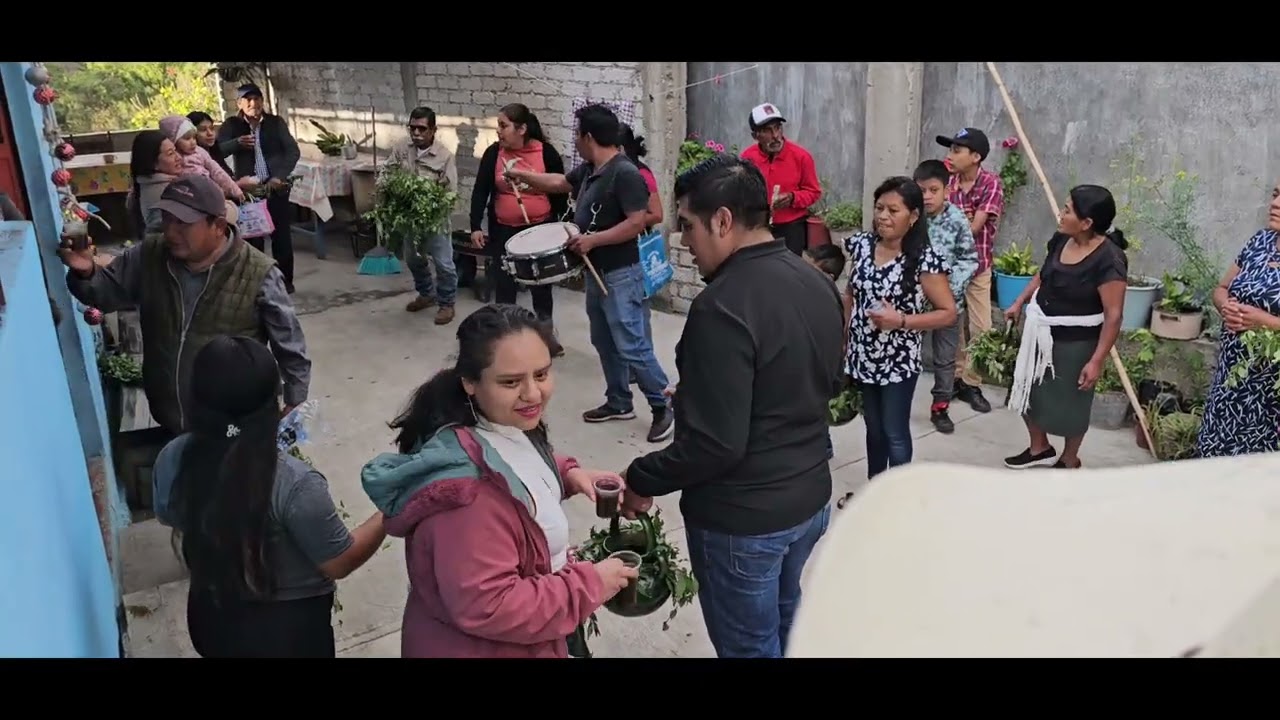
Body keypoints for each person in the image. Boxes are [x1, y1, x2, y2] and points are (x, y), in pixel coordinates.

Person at [619, 155, 844, 659]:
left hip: (746, 522)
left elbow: (714, 446)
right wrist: (706, 391)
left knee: (749, 647)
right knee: (789, 621)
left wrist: (640, 478)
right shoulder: (817, 282)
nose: (682, 241)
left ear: (723, 220)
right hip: (808, 500)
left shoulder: (720, 306)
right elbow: (819, 379)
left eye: (688, 226)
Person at [360, 304, 637, 658]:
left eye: (541, 374)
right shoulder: (466, 499)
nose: (533, 394)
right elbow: (490, 605)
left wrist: (568, 473)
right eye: (511, 382)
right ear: (470, 383)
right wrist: (590, 584)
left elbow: (516, 463)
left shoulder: (497, 425)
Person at [152, 335, 385, 658]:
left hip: (210, 616)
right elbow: (339, 561)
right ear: (275, 402)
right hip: (287, 634)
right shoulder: (295, 483)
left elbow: (169, 515)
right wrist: (389, 511)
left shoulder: (172, 457)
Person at [58, 175, 311, 437]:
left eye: (183, 223)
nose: (171, 231)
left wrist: (294, 398)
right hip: (169, 414)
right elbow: (104, 294)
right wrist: (85, 272)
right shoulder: (150, 255)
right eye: (167, 219)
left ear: (218, 225)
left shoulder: (258, 272)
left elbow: (289, 343)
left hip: (234, 423)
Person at [503, 104, 674, 443]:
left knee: (632, 345)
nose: (575, 141)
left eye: (577, 135)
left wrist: (593, 240)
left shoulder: (624, 173)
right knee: (604, 340)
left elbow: (638, 220)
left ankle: (664, 406)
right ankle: (619, 401)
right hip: (599, 272)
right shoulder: (592, 169)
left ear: (589, 137)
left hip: (622, 274)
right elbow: (560, 182)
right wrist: (521, 175)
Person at [839, 177, 957, 497]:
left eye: (893, 210)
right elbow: (851, 292)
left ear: (914, 216)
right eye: (879, 208)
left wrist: (901, 320)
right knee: (873, 430)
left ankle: (898, 502)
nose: (883, 217)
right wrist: (843, 335)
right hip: (862, 355)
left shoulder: (924, 260)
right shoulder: (862, 245)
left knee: (894, 432)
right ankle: (873, 496)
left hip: (898, 361)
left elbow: (948, 312)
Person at [1002, 185, 1128, 470]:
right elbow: (1043, 274)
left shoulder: (1110, 259)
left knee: (1073, 402)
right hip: (1040, 333)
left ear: (1087, 223)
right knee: (1026, 390)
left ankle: (1069, 458)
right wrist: (1019, 301)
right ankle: (1039, 447)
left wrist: (1096, 360)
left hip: (1077, 343)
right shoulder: (1060, 239)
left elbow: (1114, 314)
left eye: (1068, 210)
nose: (1060, 214)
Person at [468, 103, 568, 347]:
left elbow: (561, 193)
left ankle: (545, 335)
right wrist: (475, 226)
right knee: (505, 284)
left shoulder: (546, 153)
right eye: (498, 126)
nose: (499, 132)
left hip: (539, 230)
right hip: (503, 230)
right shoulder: (494, 154)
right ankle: (508, 337)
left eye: (503, 126)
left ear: (522, 128)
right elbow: (480, 190)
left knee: (541, 285)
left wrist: (558, 228)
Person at [1197, 183, 1280, 457]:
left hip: (1272, 390)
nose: (1275, 203)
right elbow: (1221, 289)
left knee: (1259, 470)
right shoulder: (1261, 242)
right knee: (1216, 456)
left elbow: (1262, 318)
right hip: (1232, 379)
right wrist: (1227, 306)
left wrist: (1264, 321)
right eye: (1276, 194)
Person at [937, 127, 1004, 414]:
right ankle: (957, 377)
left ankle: (972, 383)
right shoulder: (946, 183)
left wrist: (956, 222)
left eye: (956, 150)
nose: (949, 156)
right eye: (950, 149)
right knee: (953, 324)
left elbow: (974, 228)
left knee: (982, 328)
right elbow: (937, 222)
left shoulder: (991, 183)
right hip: (949, 269)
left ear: (976, 157)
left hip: (978, 267)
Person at [215, 83, 302, 293]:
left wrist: (278, 176)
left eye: (257, 99)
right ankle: (259, 284)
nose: (254, 103)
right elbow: (216, 152)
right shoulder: (232, 125)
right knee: (253, 240)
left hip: (275, 189)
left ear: (263, 101)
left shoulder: (275, 123)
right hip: (248, 192)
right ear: (240, 103)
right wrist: (236, 144)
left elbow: (292, 151)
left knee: (281, 238)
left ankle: (285, 283)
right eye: (248, 100)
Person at [913, 159, 979, 433]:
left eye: (933, 190)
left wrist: (949, 291)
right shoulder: (910, 216)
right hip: (913, 302)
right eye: (921, 191)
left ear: (946, 190)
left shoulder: (957, 220)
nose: (927, 197)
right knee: (907, 353)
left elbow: (970, 259)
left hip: (947, 304)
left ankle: (940, 406)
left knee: (945, 357)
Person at [385, 106, 460, 325]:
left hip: (435, 218)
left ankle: (447, 303)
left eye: (422, 129)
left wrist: (432, 203)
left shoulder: (444, 156)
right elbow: (389, 172)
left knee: (444, 263)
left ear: (433, 130)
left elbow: (450, 192)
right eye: (413, 128)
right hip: (410, 217)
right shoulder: (401, 148)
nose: (416, 134)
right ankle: (426, 293)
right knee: (413, 259)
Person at [739, 102, 822, 256]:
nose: (775, 136)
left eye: (777, 128)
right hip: (759, 227)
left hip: (791, 229)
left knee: (789, 275)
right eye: (767, 131)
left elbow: (814, 192)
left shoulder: (801, 157)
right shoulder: (747, 159)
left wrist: (793, 198)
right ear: (755, 136)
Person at [159, 115, 245, 201]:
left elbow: (217, 171)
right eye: (187, 138)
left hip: (212, 193)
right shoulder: (174, 160)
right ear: (173, 141)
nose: (192, 142)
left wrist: (235, 189)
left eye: (194, 137)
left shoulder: (200, 152)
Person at [126, 130, 185, 238]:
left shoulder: (146, 184)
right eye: (171, 154)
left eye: (175, 151)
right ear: (153, 164)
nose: (179, 158)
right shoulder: (165, 191)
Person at [186, 111, 236, 178]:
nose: (210, 133)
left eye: (212, 128)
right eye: (203, 129)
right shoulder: (191, 162)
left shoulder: (215, 152)